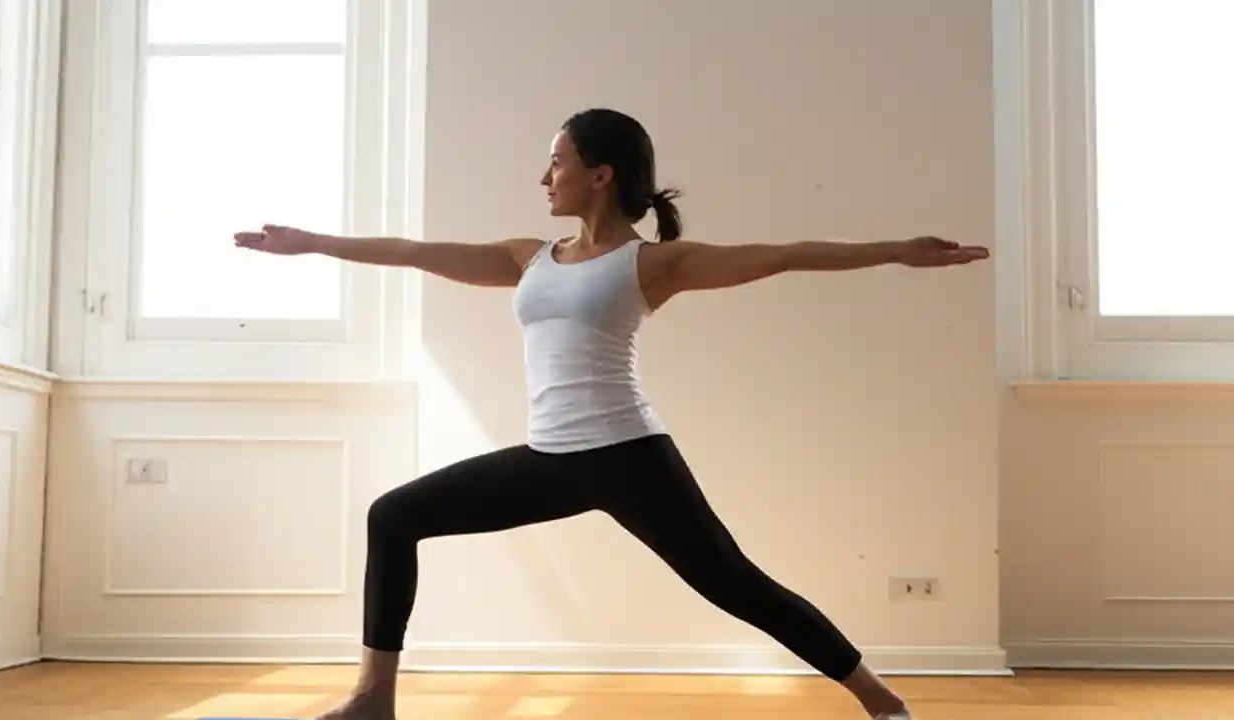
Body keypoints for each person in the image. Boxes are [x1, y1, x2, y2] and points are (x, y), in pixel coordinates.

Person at [234, 107, 988, 720]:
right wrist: (311, 244)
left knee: (737, 585)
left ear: (601, 175)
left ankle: (883, 704)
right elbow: (417, 251)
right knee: (393, 516)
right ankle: (373, 700)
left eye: (556, 161)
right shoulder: (527, 258)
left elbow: (783, 253)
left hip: (629, 453)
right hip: (548, 459)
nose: (543, 177)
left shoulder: (652, 264)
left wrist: (898, 250)